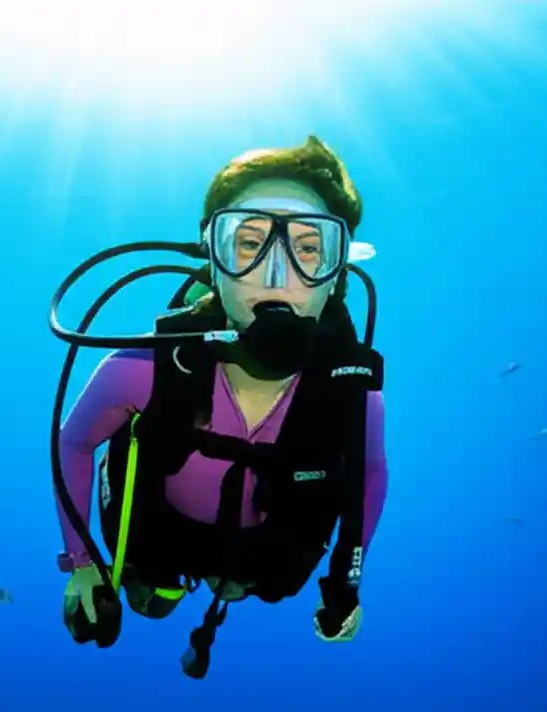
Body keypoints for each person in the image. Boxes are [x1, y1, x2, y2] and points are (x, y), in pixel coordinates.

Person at [50, 135, 389, 675]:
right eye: (249, 242)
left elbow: (370, 469)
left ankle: (228, 583)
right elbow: (75, 440)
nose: (275, 276)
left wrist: (347, 578)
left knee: (263, 581)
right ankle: (164, 582)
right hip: (160, 530)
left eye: (307, 248)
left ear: (339, 272)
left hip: (267, 544)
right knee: (150, 594)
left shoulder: (349, 389)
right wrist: (84, 564)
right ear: (213, 257)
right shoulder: (141, 369)